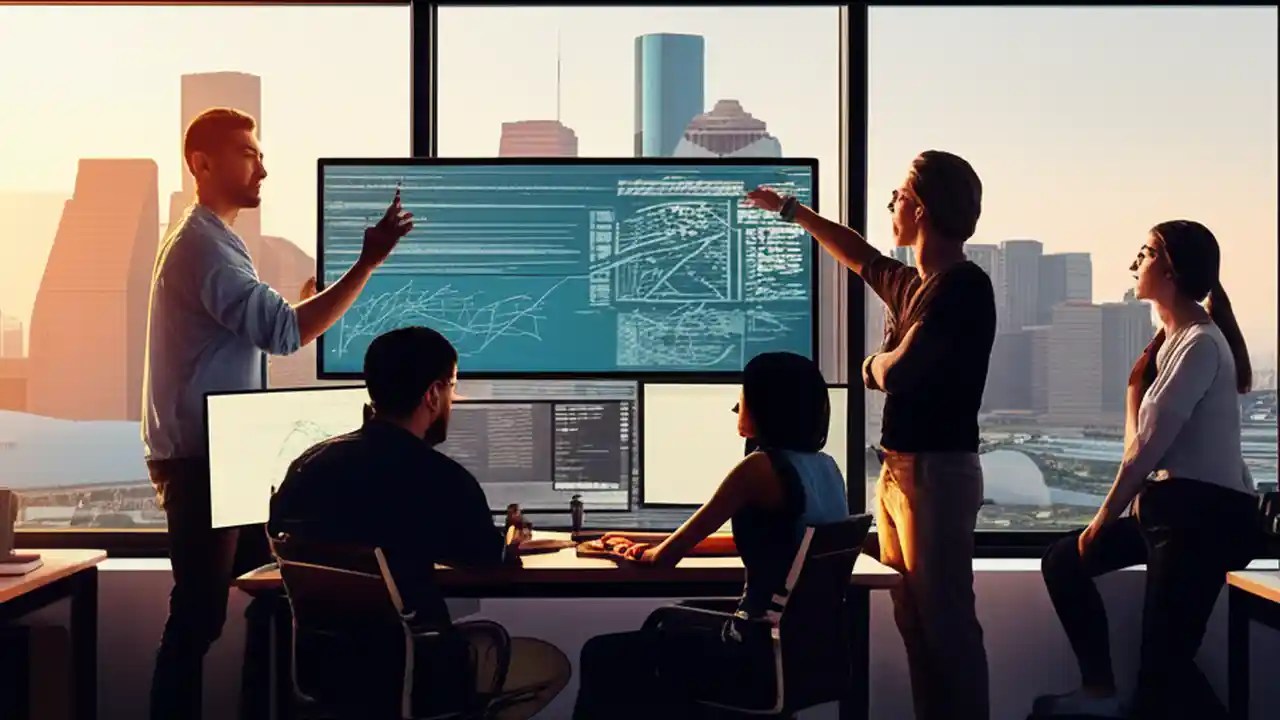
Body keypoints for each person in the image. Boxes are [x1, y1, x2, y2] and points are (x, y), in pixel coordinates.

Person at [141, 106, 413, 719]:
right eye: (247, 152)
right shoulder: (205, 248)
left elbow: (263, 334)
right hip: (201, 460)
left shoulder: (216, 243)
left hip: (217, 454)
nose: (263, 166)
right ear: (201, 164)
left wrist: (303, 307)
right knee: (198, 618)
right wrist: (369, 260)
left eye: (260, 152)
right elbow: (287, 333)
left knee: (282, 585)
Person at [747, 150, 994, 720]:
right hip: (902, 469)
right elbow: (859, 255)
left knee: (946, 624)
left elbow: (899, 369)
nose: (891, 204)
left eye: (898, 196)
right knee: (913, 619)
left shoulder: (962, 287)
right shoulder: (918, 285)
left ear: (922, 208)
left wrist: (869, 364)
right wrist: (792, 211)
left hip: (936, 473)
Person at [268, 326, 570, 719]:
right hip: (416, 671)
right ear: (432, 394)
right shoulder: (441, 479)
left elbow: (280, 535)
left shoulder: (308, 465)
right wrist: (512, 537)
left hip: (324, 673)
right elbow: (490, 563)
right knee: (551, 665)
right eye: (452, 387)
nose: (453, 400)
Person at [1034, 221, 1259, 719]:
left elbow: (1147, 451)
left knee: (1162, 671)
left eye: (1145, 252)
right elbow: (1141, 444)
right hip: (1173, 515)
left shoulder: (1200, 343)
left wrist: (1102, 521)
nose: (1134, 263)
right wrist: (1136, 388)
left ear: (1170, 268)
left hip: (1205, 519)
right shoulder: (1169, 342)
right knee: (1062, 562)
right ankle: (1099, 690)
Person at [573, 351, 849, 720]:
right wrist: (640, 541)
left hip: (752, 655)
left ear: (769, 404)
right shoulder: (825, 468)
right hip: (801, 655)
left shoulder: (758, 469)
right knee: (666, 631)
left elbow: (664, 560)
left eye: (744, 395)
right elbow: (769, 543)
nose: (736, 407)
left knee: (604, 654)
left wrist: (620, 553)